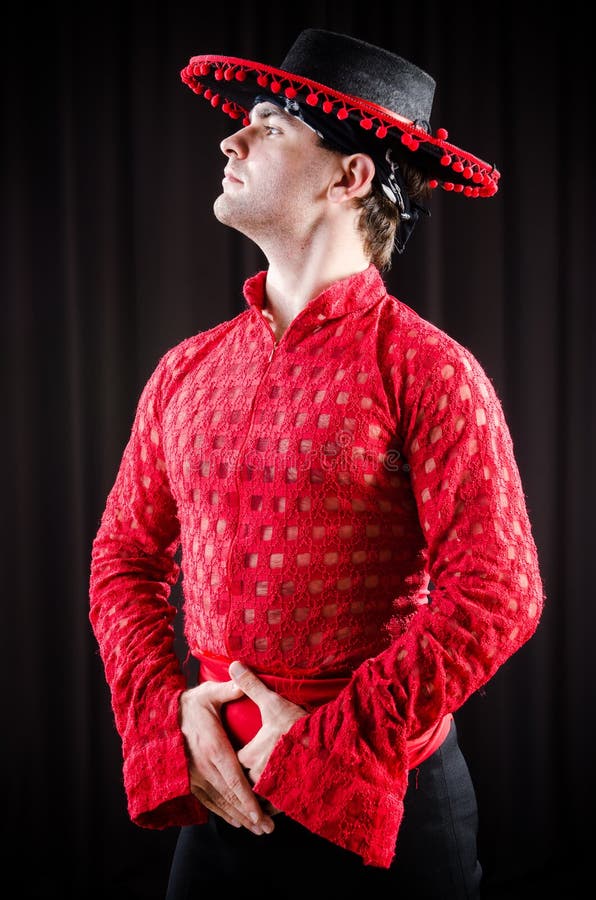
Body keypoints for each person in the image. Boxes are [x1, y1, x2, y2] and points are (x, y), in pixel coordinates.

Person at [89, 28, 544, 899]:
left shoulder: (428, 369)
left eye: (270, 126)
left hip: (391, 805)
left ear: (350, 176)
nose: (232, 141)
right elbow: (124, 559)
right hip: (221, 798)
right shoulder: (186, 369)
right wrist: (168, 717)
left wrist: (330, 744)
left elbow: (500, 590)